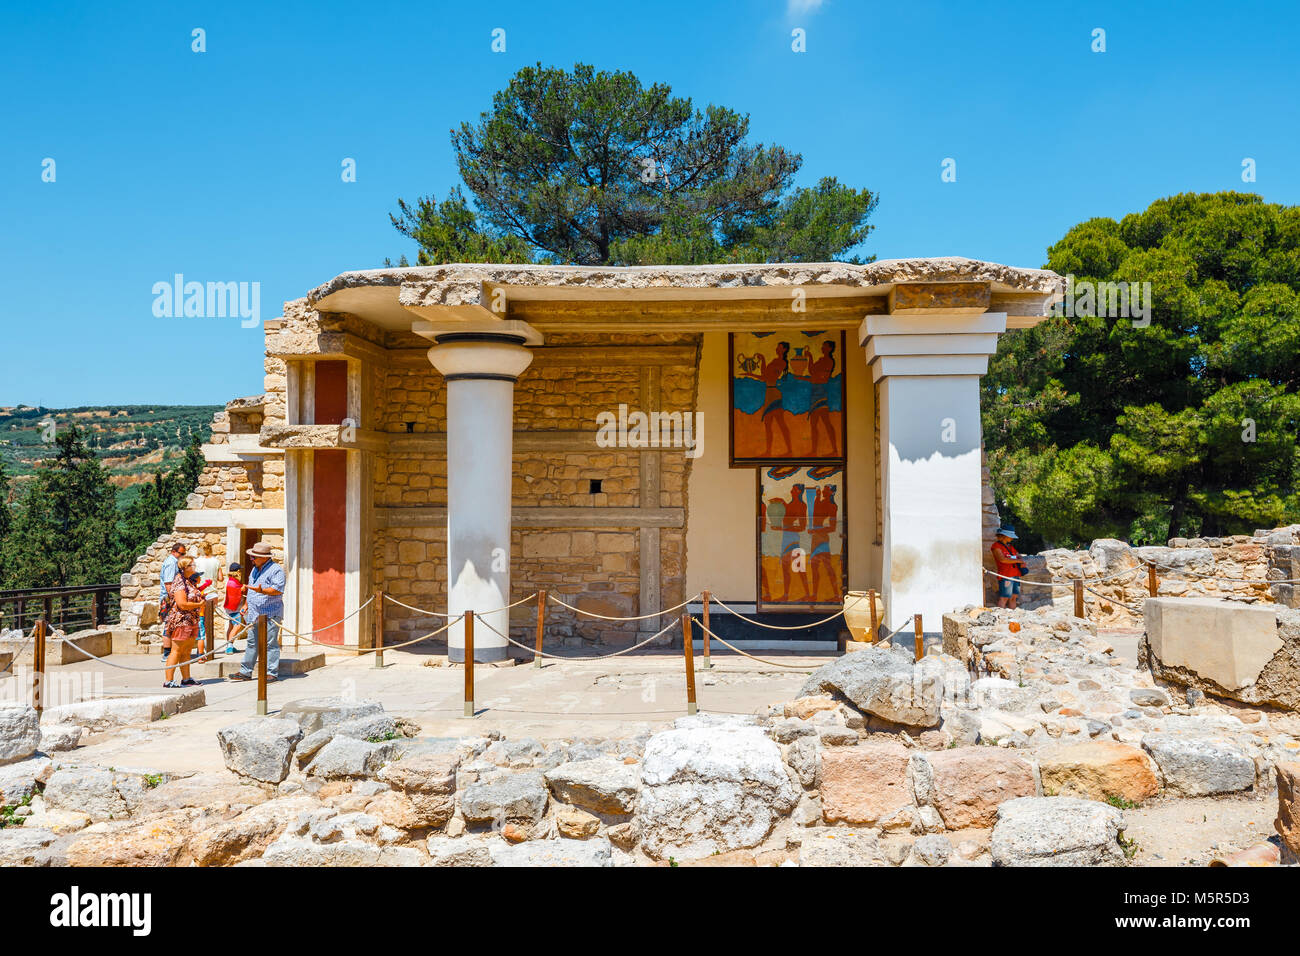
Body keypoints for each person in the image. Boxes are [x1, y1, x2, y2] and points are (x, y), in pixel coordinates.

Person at [230, 541, 285, 682]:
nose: (251, 559)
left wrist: (262, 591)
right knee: (252, 642)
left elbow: (278, 589)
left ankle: (271, 672)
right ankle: (245, 671)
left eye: (254, 557)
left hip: (270, 612)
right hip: (254, 613)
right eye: (251, 556)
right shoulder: (255, 569)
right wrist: (247, 604)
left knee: (270, 643)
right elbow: (251, 588)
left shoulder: (276, 570)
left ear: (264, 557)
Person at [163, 557, 204, 688]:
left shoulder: (188, 581)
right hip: (182, 621)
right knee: (176, 651)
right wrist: (198, 604)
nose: (195, 566)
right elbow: (182, 603)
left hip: (191, 620)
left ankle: (186, 678)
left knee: (186, 651)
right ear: (186, 567)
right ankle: (168, 680)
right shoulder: (179, 581)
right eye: (192, 564)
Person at [194, 542, 222, 659]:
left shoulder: (196, 561)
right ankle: (207, 648)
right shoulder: (216, 561)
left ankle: (201, 649)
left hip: (201, 593)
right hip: (213, 593)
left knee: (200, 622)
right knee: (208, 623)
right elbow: (220, 578)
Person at [158, 542, 186, 663]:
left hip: (170, 597)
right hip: (169, 598)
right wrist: (174, 599)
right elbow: (169, 583)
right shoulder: (171, 563)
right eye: (181, 553)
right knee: (169, 624)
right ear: (174, 552)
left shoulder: (173, 562)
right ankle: (167, 653)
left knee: (171, 624)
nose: (183, 556)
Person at [991, 526, 1028, 609]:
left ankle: (1012, 617)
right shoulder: (996, 546)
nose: (1012, 538)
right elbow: (1002, 560)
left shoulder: (1010, 547)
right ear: (1004, 535)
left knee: (1013, 597)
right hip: (1006, 575)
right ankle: (1000, 617)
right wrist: (1018, 561)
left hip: (1015, 575)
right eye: (1010, 536)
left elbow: (1018, 556)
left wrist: (1021, 561)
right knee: (1004, 597)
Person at [222, 562, 246, 654]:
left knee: (231, 626)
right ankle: (230, 646)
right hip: (234, 608)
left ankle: (229, 644)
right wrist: (242, 589)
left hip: (230, 608)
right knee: (237, 625)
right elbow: (235, 592)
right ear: (238, 571)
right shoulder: (233, 581)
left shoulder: (231, 580)